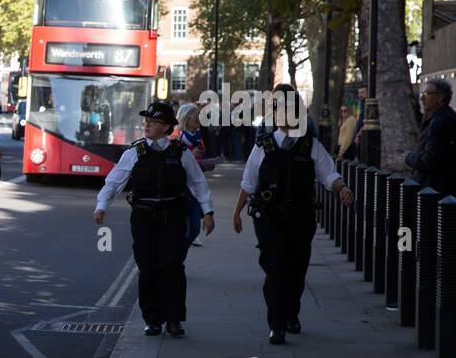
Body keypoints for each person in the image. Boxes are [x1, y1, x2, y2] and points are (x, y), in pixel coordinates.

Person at [234, 85, 354, 344]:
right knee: (275, 269)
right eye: (276, 108)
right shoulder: (263, 145)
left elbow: (327, 174)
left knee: (296, 269)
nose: (279, 113)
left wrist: (342, 187)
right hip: (268, 217)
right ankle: (276, 323)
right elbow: (248, 182)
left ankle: (290, 312)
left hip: (300, 217)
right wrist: (236, 213)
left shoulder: (310, 145)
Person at [93, 100, 215, 338]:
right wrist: (101, 205)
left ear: (167, 126)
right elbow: (114, 181)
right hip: (143, 217)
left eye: (154, 121)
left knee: (172, 266)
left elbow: (198, 183)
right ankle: (152, 319)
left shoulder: (181, 153)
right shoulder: (134, 153)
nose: (147, 124)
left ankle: (174, 320)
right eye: (146, 120)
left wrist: (207, 212)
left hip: (172, 217)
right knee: (147, 268)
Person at [176, 102, 219, 248]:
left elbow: (200, 162)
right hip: (180, 188)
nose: (199, 119)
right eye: (196, 116)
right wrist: (191, 157)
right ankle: (175, 256)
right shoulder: (177, 137)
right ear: (186, 118)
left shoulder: (200, 137)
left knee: (194, 226)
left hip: (194, 188)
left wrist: (208, 164)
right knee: (183, 224)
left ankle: (180, 250)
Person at [405, 78, 456, 198]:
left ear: (440, 97)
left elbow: (429, 161)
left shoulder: (439, 122)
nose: (422, 98)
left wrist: (409, 157)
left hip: (435, 191)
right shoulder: (444, 117)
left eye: (427, 94)